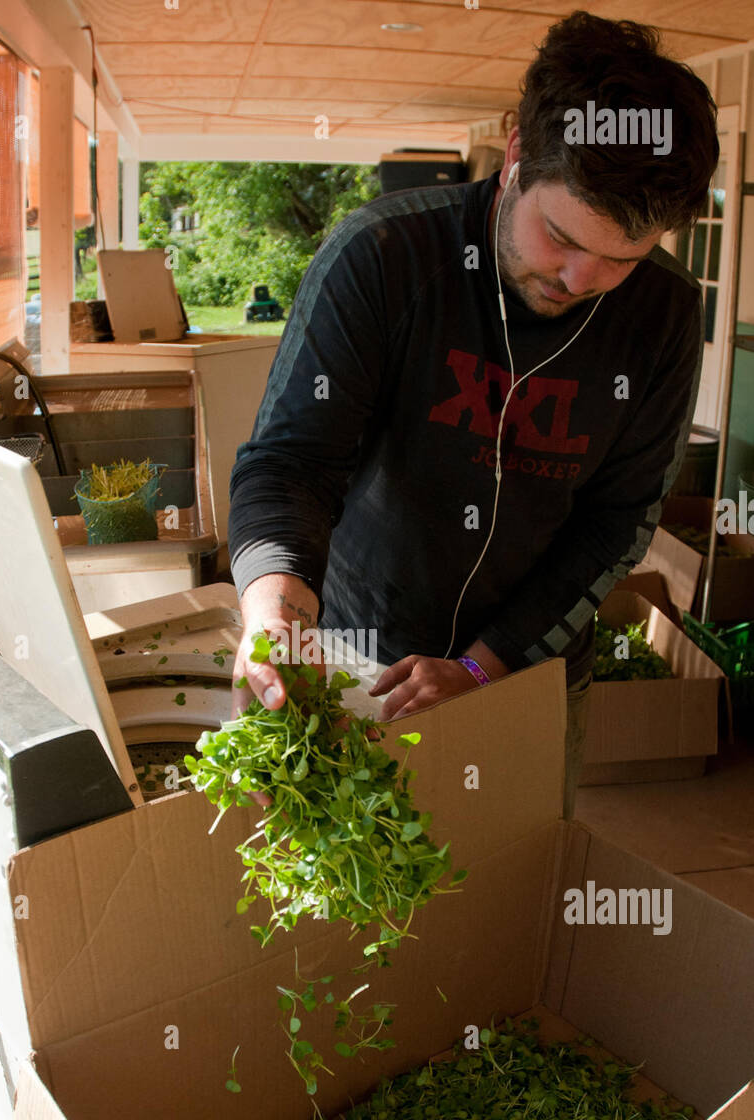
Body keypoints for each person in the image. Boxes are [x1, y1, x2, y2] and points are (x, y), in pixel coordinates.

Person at [227, 10, 719, 816]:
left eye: (620, 260)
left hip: (529, 667)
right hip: (355, 647)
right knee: (345, 895)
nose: (577, 279)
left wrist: (485, 666)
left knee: (506, 885)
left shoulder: (663, 315)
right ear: (516, 148)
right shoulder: (382, 257)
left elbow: (617, 521)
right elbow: (291, 463)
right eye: (558, 236)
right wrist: (275, 613)